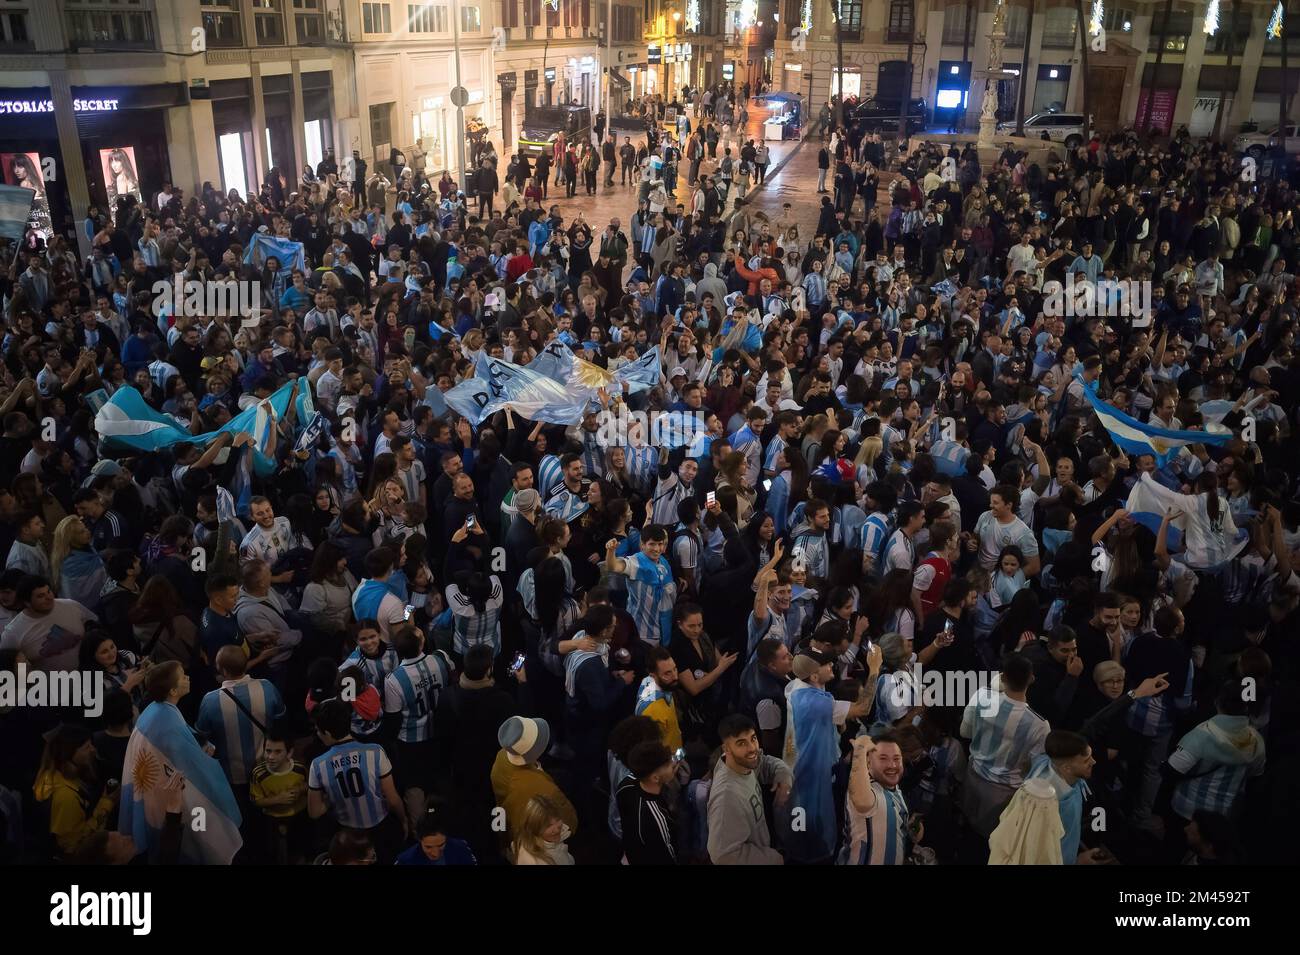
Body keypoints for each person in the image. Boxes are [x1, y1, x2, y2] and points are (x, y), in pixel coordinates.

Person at [706, 714, 793, 865]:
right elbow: (723, 855)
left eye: (753, 738)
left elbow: (766, 762)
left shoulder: (743, 763)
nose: (752, 748)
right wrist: (773, 858)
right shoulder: (726, 798)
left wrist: (783, 777)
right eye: (741, 743)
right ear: (726, 749)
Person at [615, 740, 679, 864]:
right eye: (667, 765)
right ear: (655, 778)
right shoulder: (654, 818)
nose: (673, 763)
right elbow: (669, 855)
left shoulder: (625, 784)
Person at [511, 794, 575, 865]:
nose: (557, 830)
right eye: (548, 826)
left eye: (557, 820)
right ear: (535, 828)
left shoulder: (547, 840)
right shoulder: (537, 862)